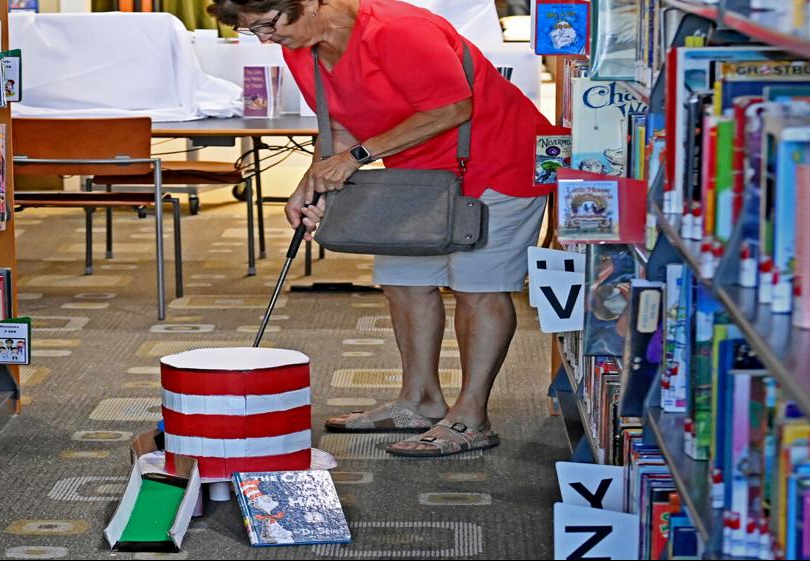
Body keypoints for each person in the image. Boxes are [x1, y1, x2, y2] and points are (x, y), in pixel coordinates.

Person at [208, 0, 555, 457]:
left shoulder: (398, 30)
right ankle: (420, 402)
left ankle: (471, 418)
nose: (267, 40)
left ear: (311, 3)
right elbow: (340, 126)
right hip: (417, 174)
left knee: (478, 287)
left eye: (269, 26)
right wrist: (311, 184)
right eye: (254, 32)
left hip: (498, 159)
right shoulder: (302, 48)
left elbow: (452, 109)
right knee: (404, 282)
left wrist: (352, 161)